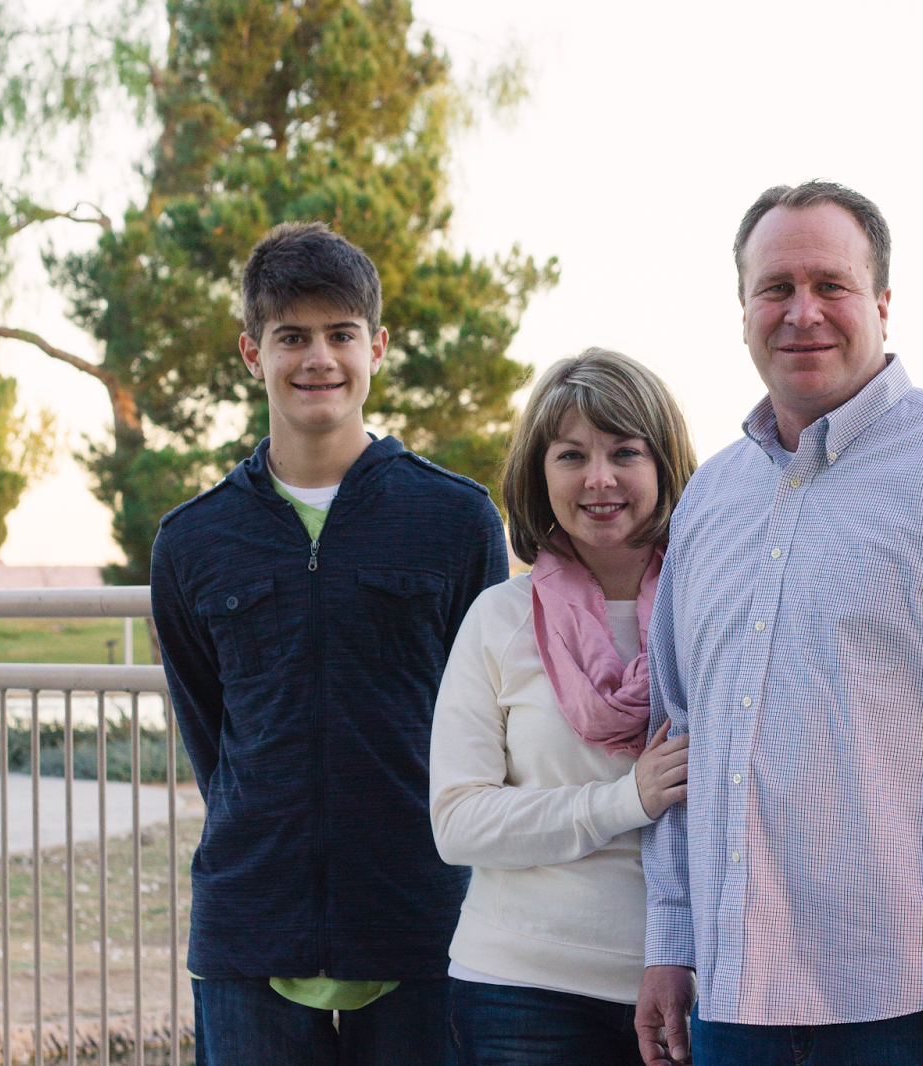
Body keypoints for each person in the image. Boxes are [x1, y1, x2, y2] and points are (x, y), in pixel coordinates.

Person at [635, 182, 923, 1066]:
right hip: (739, 1002)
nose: (802, 312)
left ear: (882, 304)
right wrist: (671, 939)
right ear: (742, 311)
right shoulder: (707, 500)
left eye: (831, 285)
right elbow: (680, 733)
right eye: (775, 288)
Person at [150, 221, 508, 1066]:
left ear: (377, 348)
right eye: (292, 337)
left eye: (341, 334)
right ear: (251, 353)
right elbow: (213, 736)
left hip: (424, 921)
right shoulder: (192, 541)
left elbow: (488, 722)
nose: (319, 358)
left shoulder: (457, 521)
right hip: (252, 926)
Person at [429, 348, 696, 1065]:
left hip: (700, 988)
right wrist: (622, 801)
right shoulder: (498, 620)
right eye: (571, 455)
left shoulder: (714, 612)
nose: (599, 478)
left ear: (665, 465)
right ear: (538, 476)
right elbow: (457, 823)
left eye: (625, 452)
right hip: (520, 992)